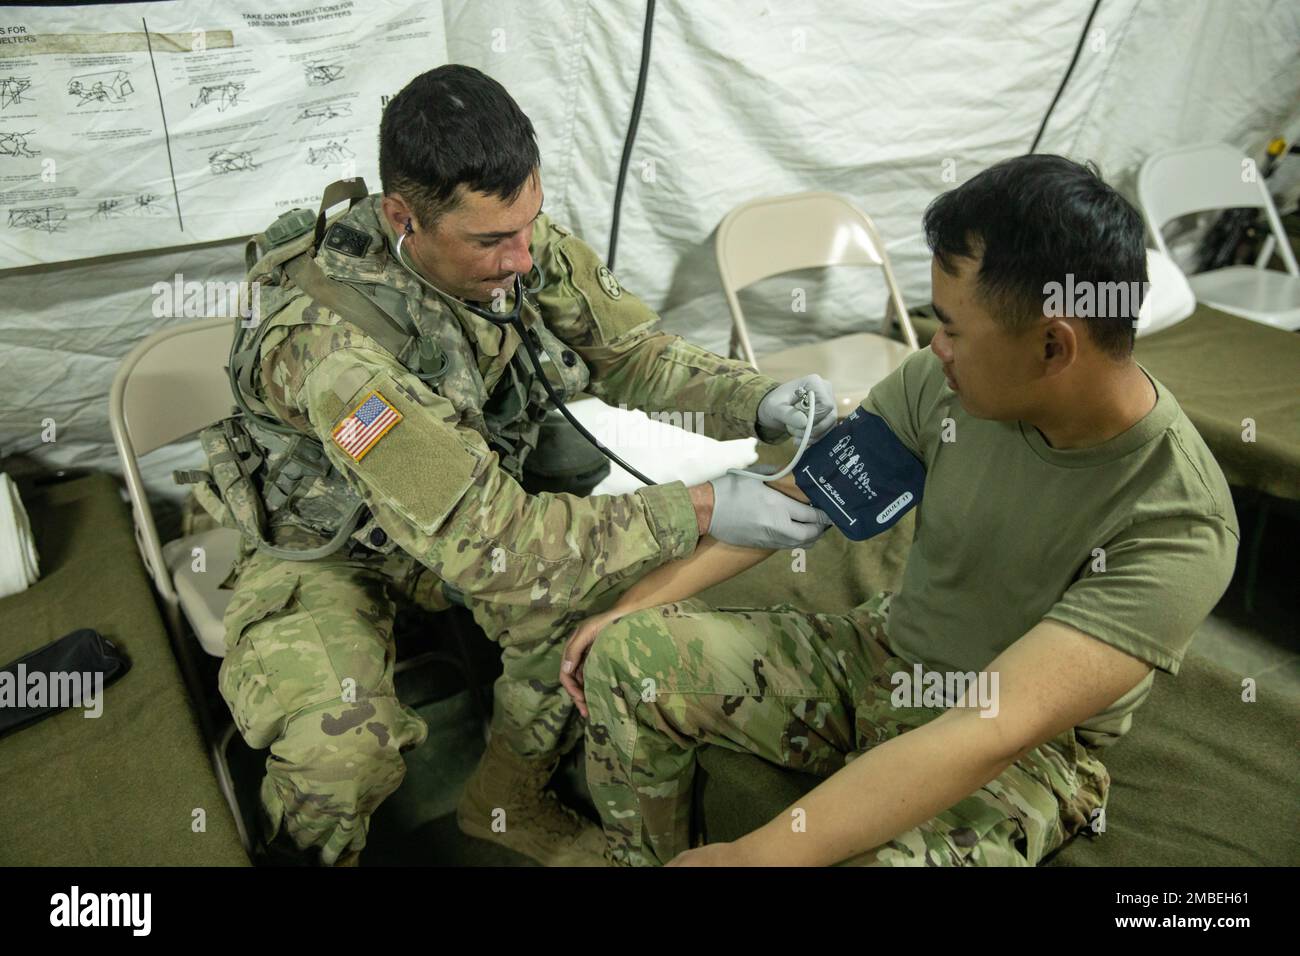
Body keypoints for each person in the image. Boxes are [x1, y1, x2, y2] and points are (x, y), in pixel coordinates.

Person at [211, 64, 836, 866]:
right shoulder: (334, 354)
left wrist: (758, 399)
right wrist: (706, 506)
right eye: (490, 242)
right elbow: (499, 545)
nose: (521, 258)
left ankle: (504, 798)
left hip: (467, 512)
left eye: (529, 226)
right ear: (403, 217)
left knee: (587, 612)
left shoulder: (512, 235)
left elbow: (633, 354)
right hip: (333, 549)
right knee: (343, 755)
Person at [563, 154, 1240, 866]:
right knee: (625, 656)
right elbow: (795, 499)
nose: (933, 349)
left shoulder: (1179, 523)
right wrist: (632, 606)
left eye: (951, 329)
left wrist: (754, 856)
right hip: (889, 651)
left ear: (1052, 344)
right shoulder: (943, 387)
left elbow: (989, 726)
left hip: (1031, 748)